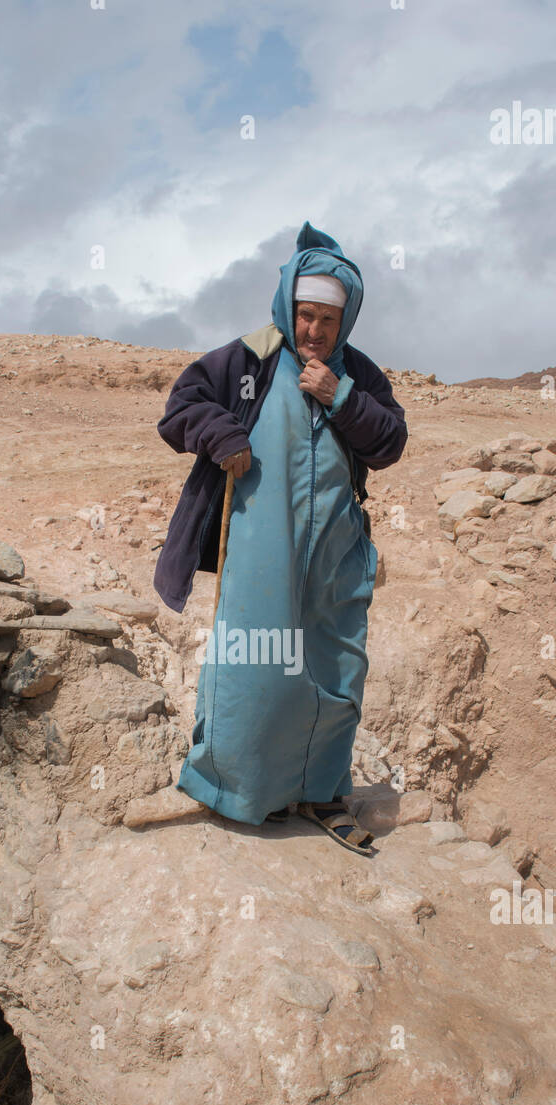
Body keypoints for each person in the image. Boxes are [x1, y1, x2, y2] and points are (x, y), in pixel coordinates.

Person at [153, 223, 407, 854]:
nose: (314, 331)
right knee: (256, 664)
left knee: (335, 668)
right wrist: (222, 435)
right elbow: (181, 405)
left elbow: (391, 443)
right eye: (305, 315)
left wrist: (341, 395)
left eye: (327, 319)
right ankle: (241, 789)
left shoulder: (359, 373)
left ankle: (319, 792)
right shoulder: (253, 355)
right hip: (263, 543)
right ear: (286, 306)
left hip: (338, 550)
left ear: (344, 321)